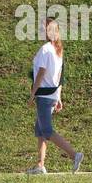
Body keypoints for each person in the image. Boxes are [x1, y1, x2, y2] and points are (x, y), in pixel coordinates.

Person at [27, 18, 83, 174]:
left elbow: (41, 74)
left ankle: (74, 155)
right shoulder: (58, 50)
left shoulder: (45, 49)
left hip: (44, 95)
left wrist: (32, 94)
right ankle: (40, 164)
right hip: (51, 94)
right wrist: (58, 97)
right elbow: (59, 76)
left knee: (46, 130)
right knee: (39, 129)